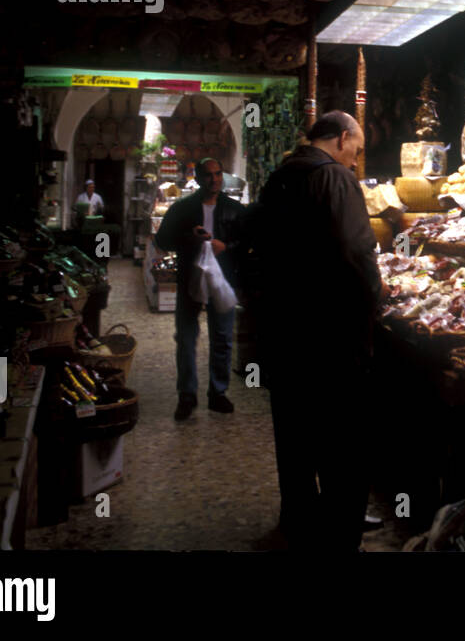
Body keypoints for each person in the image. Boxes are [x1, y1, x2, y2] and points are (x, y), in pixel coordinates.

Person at [248, 110, 384, 550]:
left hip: (284, 333)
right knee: (343, 438)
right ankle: (341, 530)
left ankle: (300, 519)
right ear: (344, 138)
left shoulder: (281, 177)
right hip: (331, 335)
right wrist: (375, 298)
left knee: (295, 435)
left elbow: (251, 249)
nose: (355, 160)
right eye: (357, 150)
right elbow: (355, 250)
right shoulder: (335, 179)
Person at [154, 157, 246, 421]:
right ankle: (187, 395)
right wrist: (188, 238)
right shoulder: (182, 209)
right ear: (198, 177)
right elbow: (162, 240)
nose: (214, 179)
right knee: (185, 339)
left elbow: (248, 243)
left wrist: (226, 247)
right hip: (189, 281)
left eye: (218, 174)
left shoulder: (234, 210)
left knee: (223, 338)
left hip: (222, 282)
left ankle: (218, 393)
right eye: (208, 175)